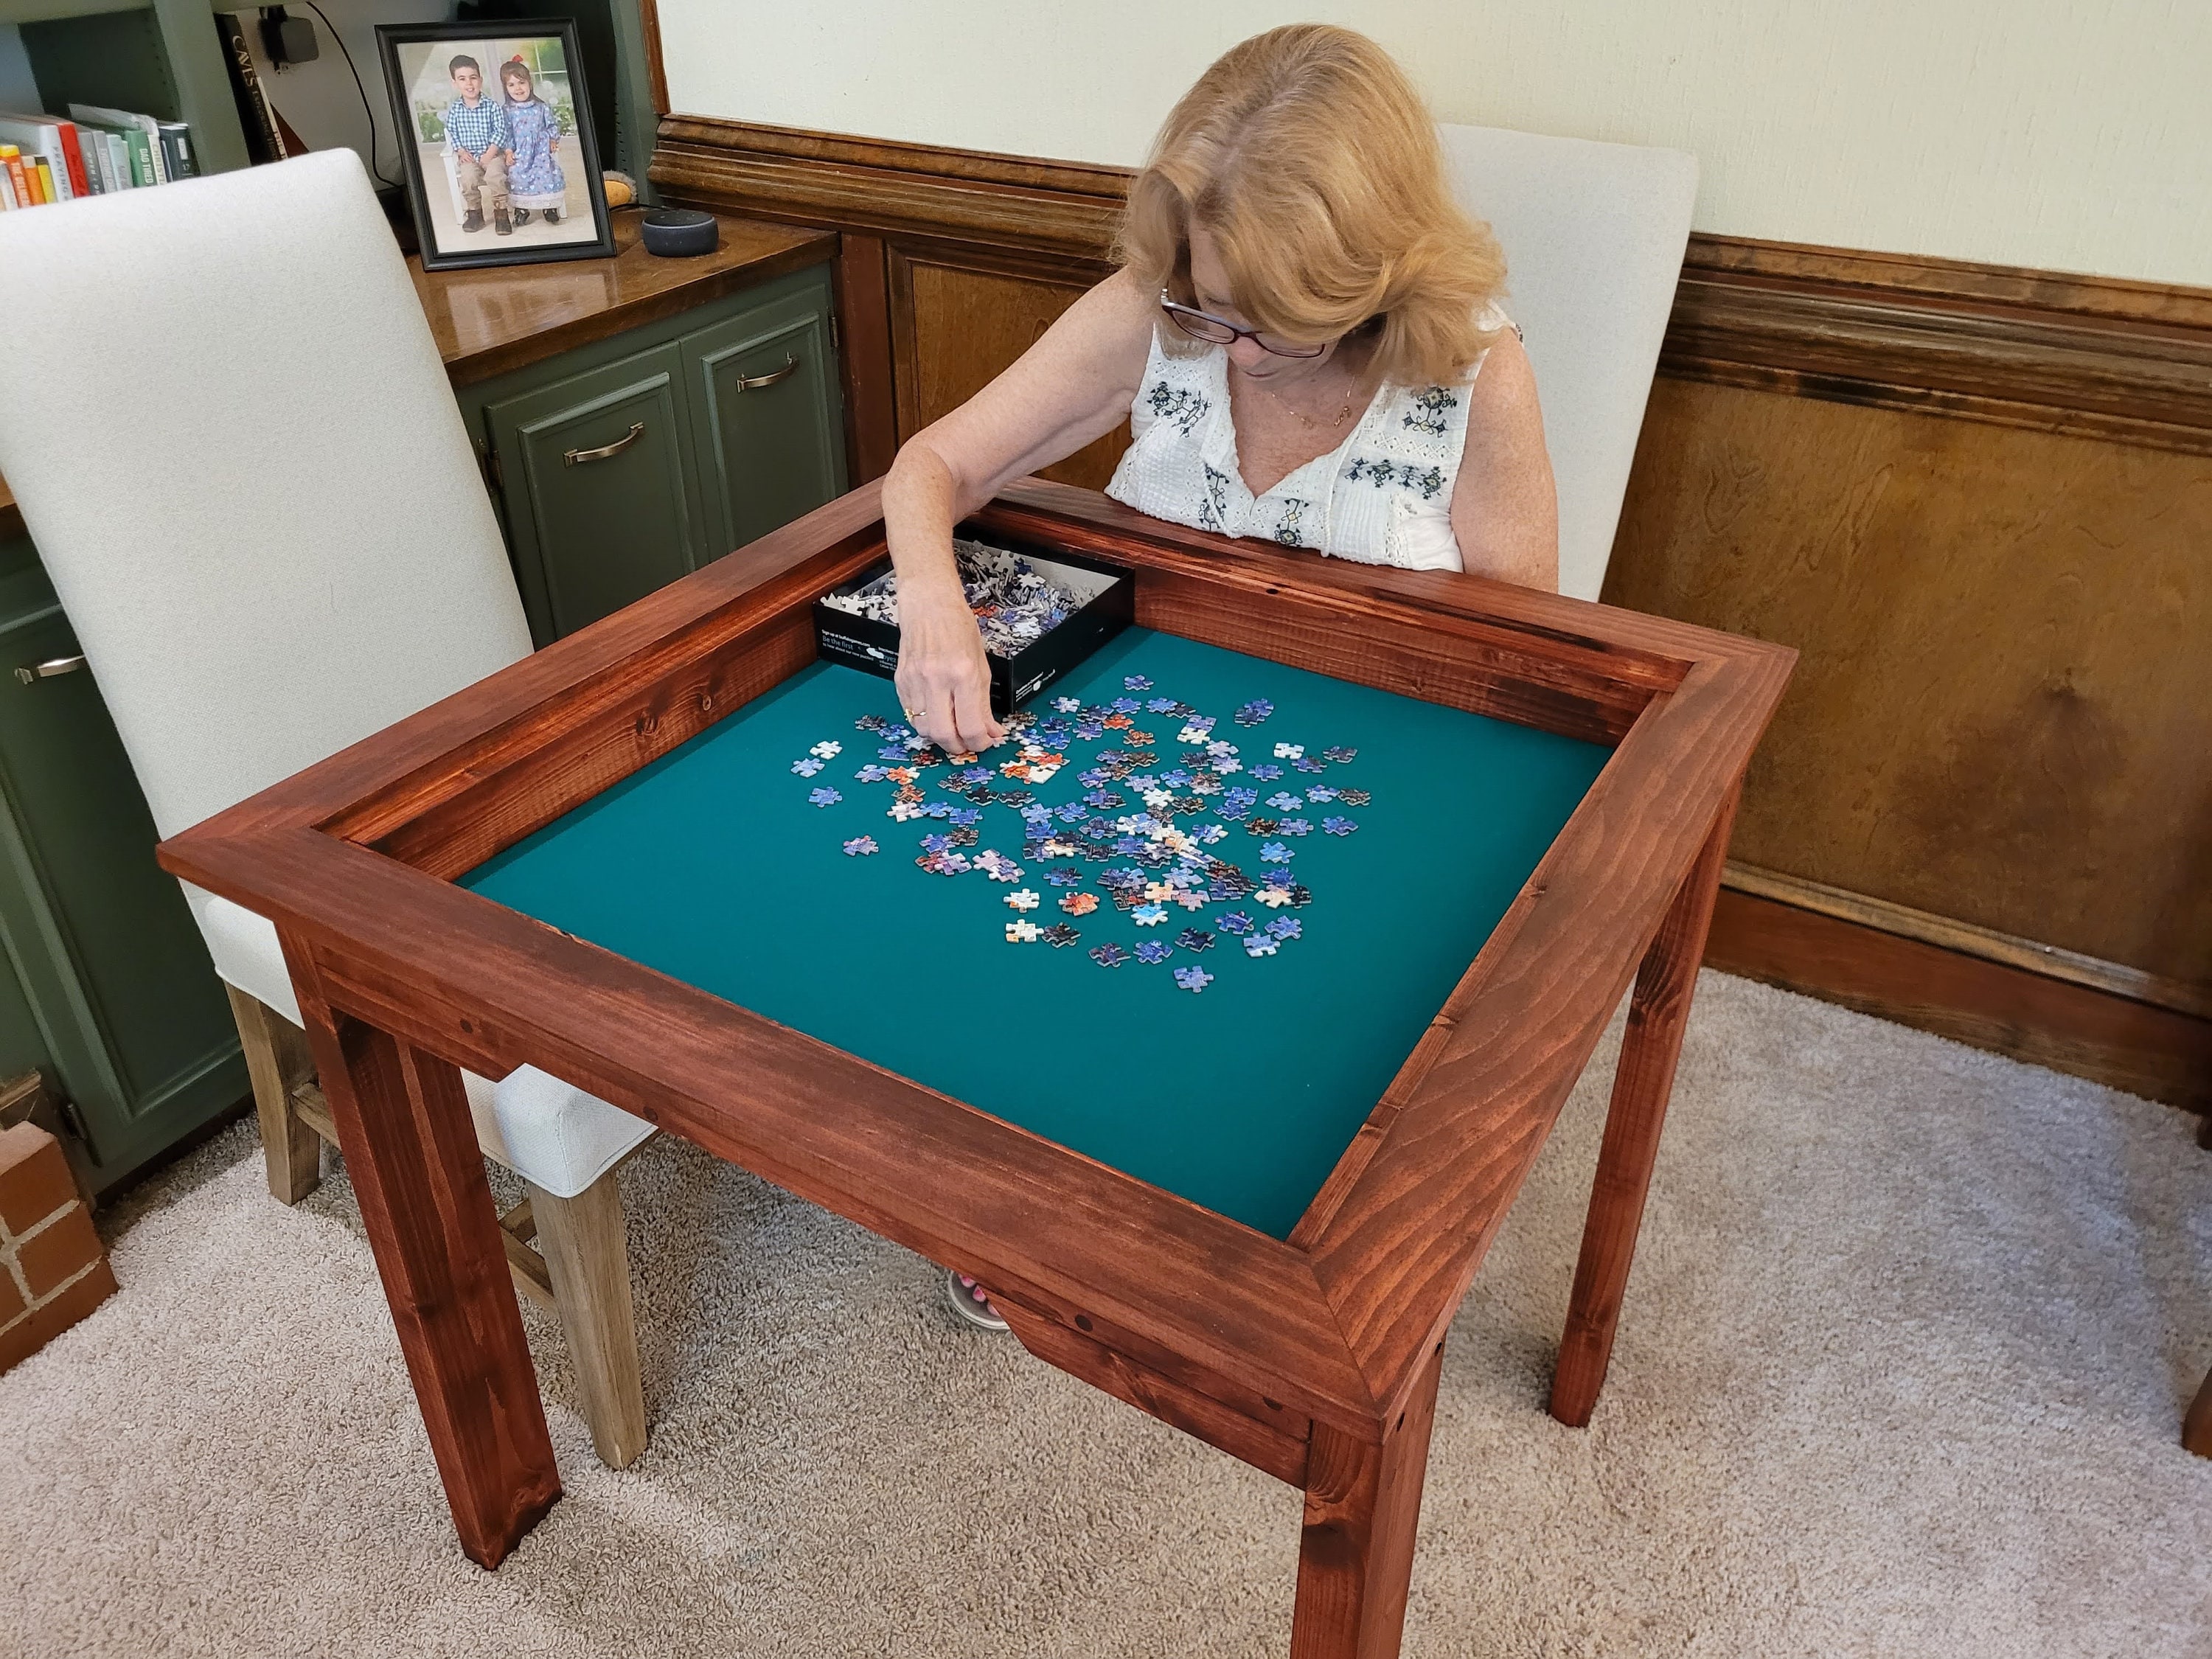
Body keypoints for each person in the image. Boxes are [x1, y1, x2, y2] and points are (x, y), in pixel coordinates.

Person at [891, 24, 1559, 1330]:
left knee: (1300, 1109)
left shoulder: (1481, 381)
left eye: (1281, 328)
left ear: (1374, 273)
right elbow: (935, 466)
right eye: (1210, 307)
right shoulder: (1162, 313)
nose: (1230, 350)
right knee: (988, 921)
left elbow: (1525, 681)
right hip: (1132, 761)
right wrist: (934, 606)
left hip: (1365, 797)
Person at [442, 55, 510, 237]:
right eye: (462, 79)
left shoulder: (492, 106)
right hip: (470, 156)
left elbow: (500, 131)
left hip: (493, 154)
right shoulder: (455, 110)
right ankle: (475, 213)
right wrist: (461, 150)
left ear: (480, 80)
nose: (469, 84)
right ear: (454, 83)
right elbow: (452, 132)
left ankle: (501, 214)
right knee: (468, 179)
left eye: (473, 78)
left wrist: (490, 153)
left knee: (496, 176)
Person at [498, 59, 568, 228]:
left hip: (540, 151)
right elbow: (506, 132)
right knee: (517, 176)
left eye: (521, 83)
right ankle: (522, 208)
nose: (518, 88)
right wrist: (508, 151)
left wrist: (552, 139)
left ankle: (549, 206)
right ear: (506, 88)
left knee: (548, 174)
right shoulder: (507, 110)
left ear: (530, 83)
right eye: (512, 85)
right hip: (520, 153)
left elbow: (551, 125)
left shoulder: (541, 107)